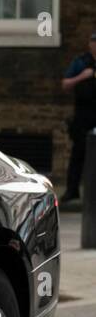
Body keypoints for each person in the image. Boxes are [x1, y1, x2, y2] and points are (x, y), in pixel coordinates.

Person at [59, 33, 96, 203]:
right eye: (93, 41)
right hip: (82, 115)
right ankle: (72, 190)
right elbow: (65, 84)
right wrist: (84, 75)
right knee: (78, 154)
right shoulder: (80, 62)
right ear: (89, 44)